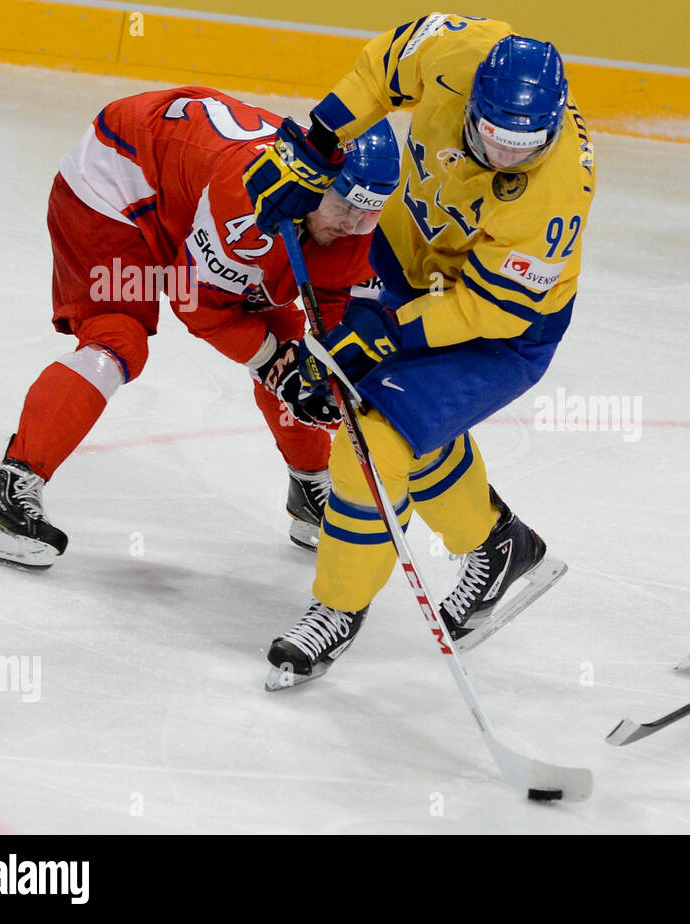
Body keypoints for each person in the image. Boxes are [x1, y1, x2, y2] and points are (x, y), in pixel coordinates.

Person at [242, 13, 596, 687]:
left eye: (523, 149)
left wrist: (390, 331)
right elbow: (381, 69)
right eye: (490, 137)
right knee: (403, 419)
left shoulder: (553, 200)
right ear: (476, 103)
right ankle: (500, 544)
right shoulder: (457, 50)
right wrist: (316, 145)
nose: (503, 158)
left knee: (370, 441)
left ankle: (336, 608)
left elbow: (487, 306)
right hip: (409, 254)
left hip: (498, 327)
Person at [0, 86, 400, 568]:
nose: (355, 223)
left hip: (190, 191)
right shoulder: (251, 200)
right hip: (119, 188)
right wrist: (274, 363)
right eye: (345, 207)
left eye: (368, 210)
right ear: (314, 183)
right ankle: (8, 493)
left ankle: (312, 491)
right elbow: (197, 304)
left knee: (297, 352)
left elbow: (332, 303)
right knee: (117, 338)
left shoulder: (346, 217)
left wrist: (330, 364)